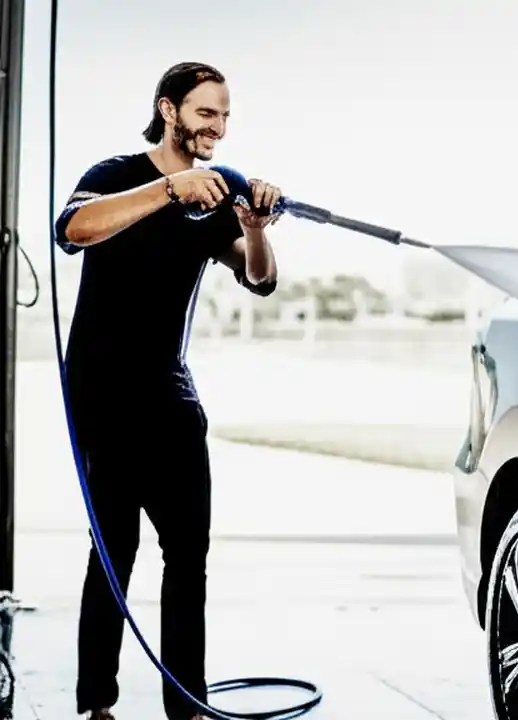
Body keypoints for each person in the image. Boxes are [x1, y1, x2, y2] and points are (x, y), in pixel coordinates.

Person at [52, 61, 283, 720]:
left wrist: (257, 229)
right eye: (207, 112)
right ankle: (97, 704)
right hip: (101, 390)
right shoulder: (116, 176)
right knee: (113, 549)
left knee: (189, 558)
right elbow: (72, 230)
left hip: (168, 390)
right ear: (170, 109)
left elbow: (258, 279)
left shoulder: (216, 193)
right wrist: (168, 188)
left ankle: (189, 707)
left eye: (226, 114)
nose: (219, 127)